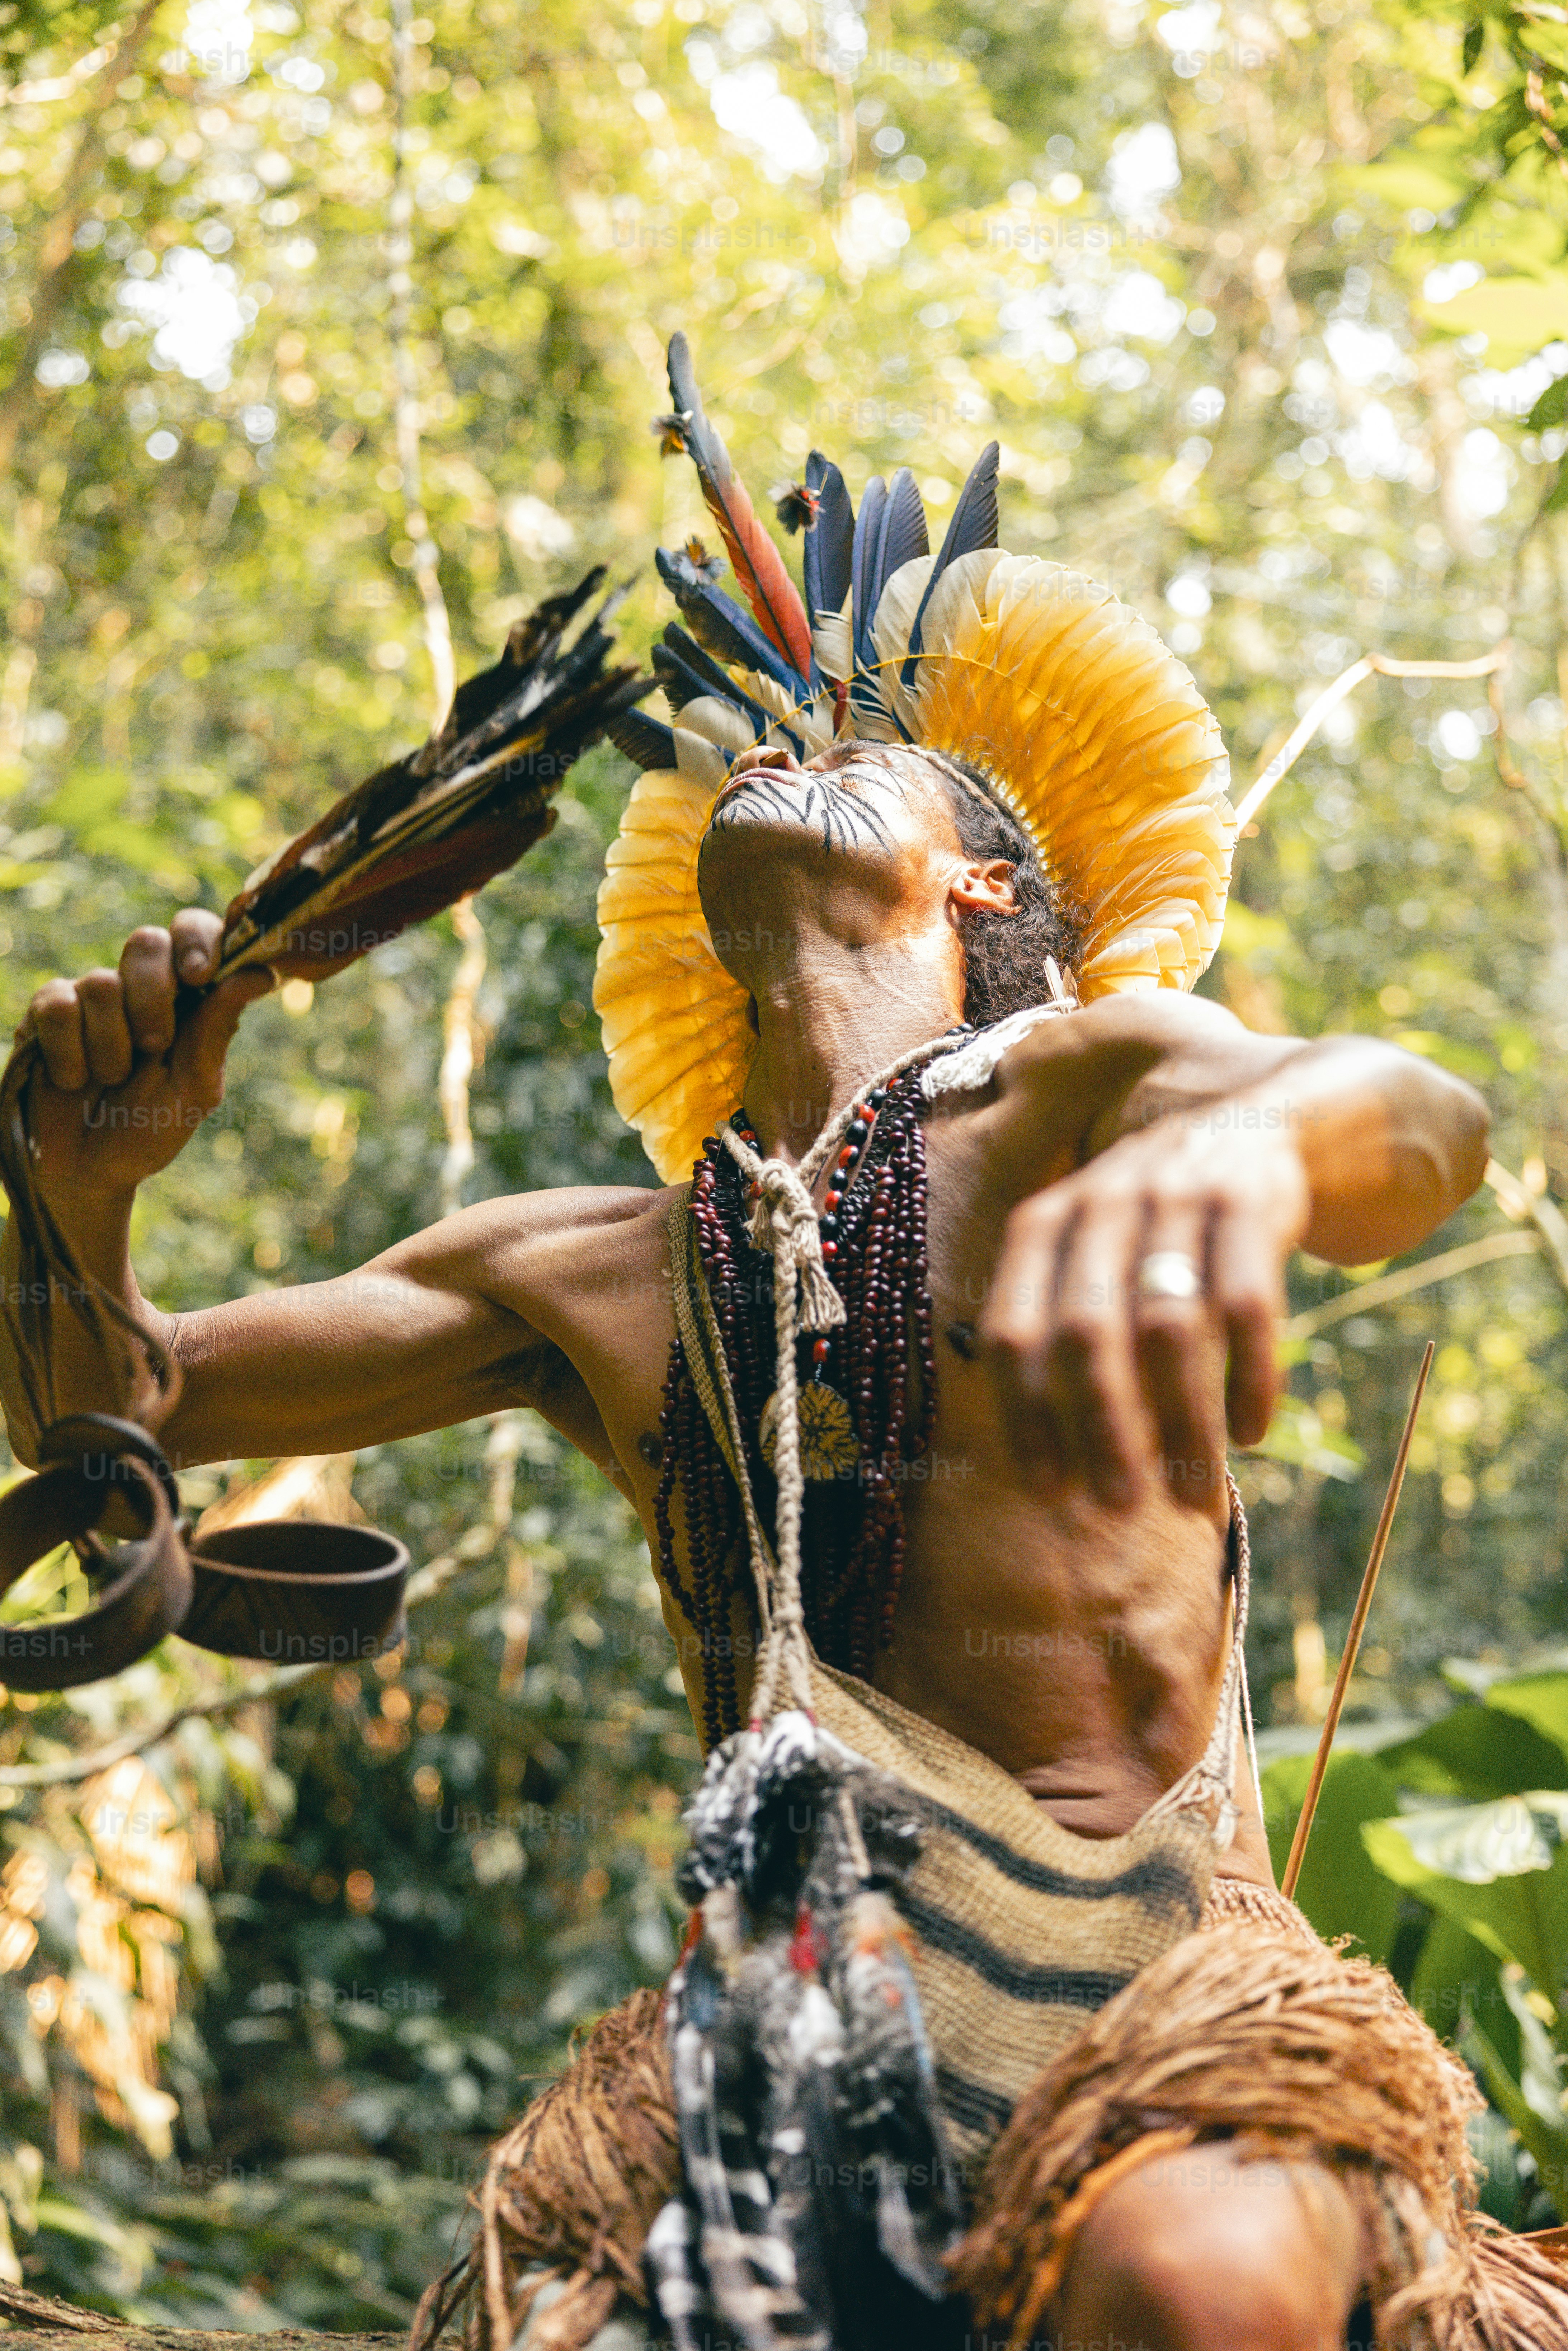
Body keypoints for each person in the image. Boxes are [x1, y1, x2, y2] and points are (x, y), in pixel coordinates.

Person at [2, 378, 1557, 2350]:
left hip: (1159, 1997)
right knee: (558, 2321)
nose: (793, 745)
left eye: (865, 754)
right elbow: (122, 1410)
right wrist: (80, 1189)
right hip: (786, 2011)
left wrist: (1256, 1146)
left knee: (1196, 2281)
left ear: (980, 885)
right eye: (775, 737)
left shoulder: (1083, 1086)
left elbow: (1416, 1120)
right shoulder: (593, 1271)